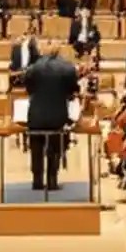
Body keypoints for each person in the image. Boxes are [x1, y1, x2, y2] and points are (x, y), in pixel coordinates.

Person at [24, 41, 78, 191]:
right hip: (57, 116)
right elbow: (72, 90)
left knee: (36, 148)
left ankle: (37, 180)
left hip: (36, 115)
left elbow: (29, 89)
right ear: (58, 51)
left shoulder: (33, 68)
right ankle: (52, 179)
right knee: (55, 147)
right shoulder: (67, 68)